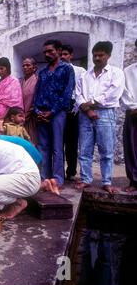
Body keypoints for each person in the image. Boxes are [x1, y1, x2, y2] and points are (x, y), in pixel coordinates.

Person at [75, 41, 126, 194]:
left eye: (101, 55)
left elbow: (113, 94)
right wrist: (86, 108)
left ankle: (106, 181)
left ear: (108, 56)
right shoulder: (85, 75)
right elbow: (78, 94)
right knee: (84, 149)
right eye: (95, 55)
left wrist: (90, 104)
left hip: (105, 113)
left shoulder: (116, 73)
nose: (97, 58)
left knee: (107, 150)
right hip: (85, 115)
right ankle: (85, 179)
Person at [34, 39, 75, 193]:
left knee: (57, 147)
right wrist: (38, 111)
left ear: (58, 51)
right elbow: (37, 93)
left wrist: (51, 112)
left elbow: (67, 93)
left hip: (57, 113)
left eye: (50, 51)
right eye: (45, 52)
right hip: (41, 114)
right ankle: (45, 178)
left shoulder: (66, 69)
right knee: (43, 147)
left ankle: (58, 179)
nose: (47, 54)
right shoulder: (43, 72)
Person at [61, 44, 87, 182]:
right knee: (58, 142)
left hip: (74, 108)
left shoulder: (80, 70)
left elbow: (82, 89)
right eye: (61, 55)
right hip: (59, 109)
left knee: (71, 142)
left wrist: (77, 107)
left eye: (65, 54)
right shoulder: (57, 70)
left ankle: (71, 172)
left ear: (71, 55)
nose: (63, 57)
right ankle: (58, 173)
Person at [0, 57, 23, 133]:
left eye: (1, 68)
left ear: (7, 67)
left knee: (9, 138)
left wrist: (3, 117)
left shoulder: (14, 81)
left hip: (10, 116)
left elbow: (15, 102)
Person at [122, 51, 137, 193]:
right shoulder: (128, 71)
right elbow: (125, 92)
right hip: (133, 113)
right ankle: (134, 180)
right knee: (131, 147)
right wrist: (134, 107)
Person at [20, 57, 39, 145]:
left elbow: (37, 99)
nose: (25, 67)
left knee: (32, 141)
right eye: (23, 65)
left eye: (28, 65)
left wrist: (28, 114)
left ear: (34, 68)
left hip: (32, 117)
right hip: (19, 117)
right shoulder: (20, 81)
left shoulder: (38, 80)